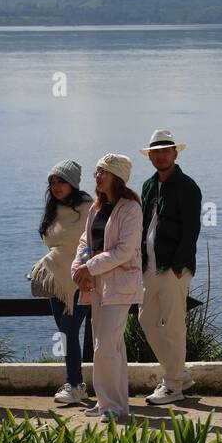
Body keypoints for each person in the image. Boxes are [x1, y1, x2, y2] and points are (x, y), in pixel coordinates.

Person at [72, 154, 144, 424]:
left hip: (120, 286)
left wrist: (88, 267)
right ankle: (110, 403)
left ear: (117, 176)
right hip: (98, 285)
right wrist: (79, 268)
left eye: (103, 172)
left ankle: (111, 405)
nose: (97, 176)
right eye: (97, 171)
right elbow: (84, 241)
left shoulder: (131, 209)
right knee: (112, 346)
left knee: (104, 346)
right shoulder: (97, 207)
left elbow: (124, 251)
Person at [137, 129, 202, 405]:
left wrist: (178, 266)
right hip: (148, 267)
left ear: (175, 154)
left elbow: (191, 231)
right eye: (156, 152)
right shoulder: (148, 186)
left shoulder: (188, 187)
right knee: (145, 320)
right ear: (150, 156)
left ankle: (173, 386)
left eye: (166, 151)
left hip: (173, 268)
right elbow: (143, 226)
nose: (161, 156)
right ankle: (179, 375)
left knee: (174, 326)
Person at [33, 160, 94, 405]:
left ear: (73, 183)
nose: (56, 187)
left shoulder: (89, 207)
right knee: (65, 333)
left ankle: (75, 383)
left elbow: (95, 241)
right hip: (56, 280)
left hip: (80, 279)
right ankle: (76, 385)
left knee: (69, 330)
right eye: (53, 182)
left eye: (61, 181)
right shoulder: (52, 209)